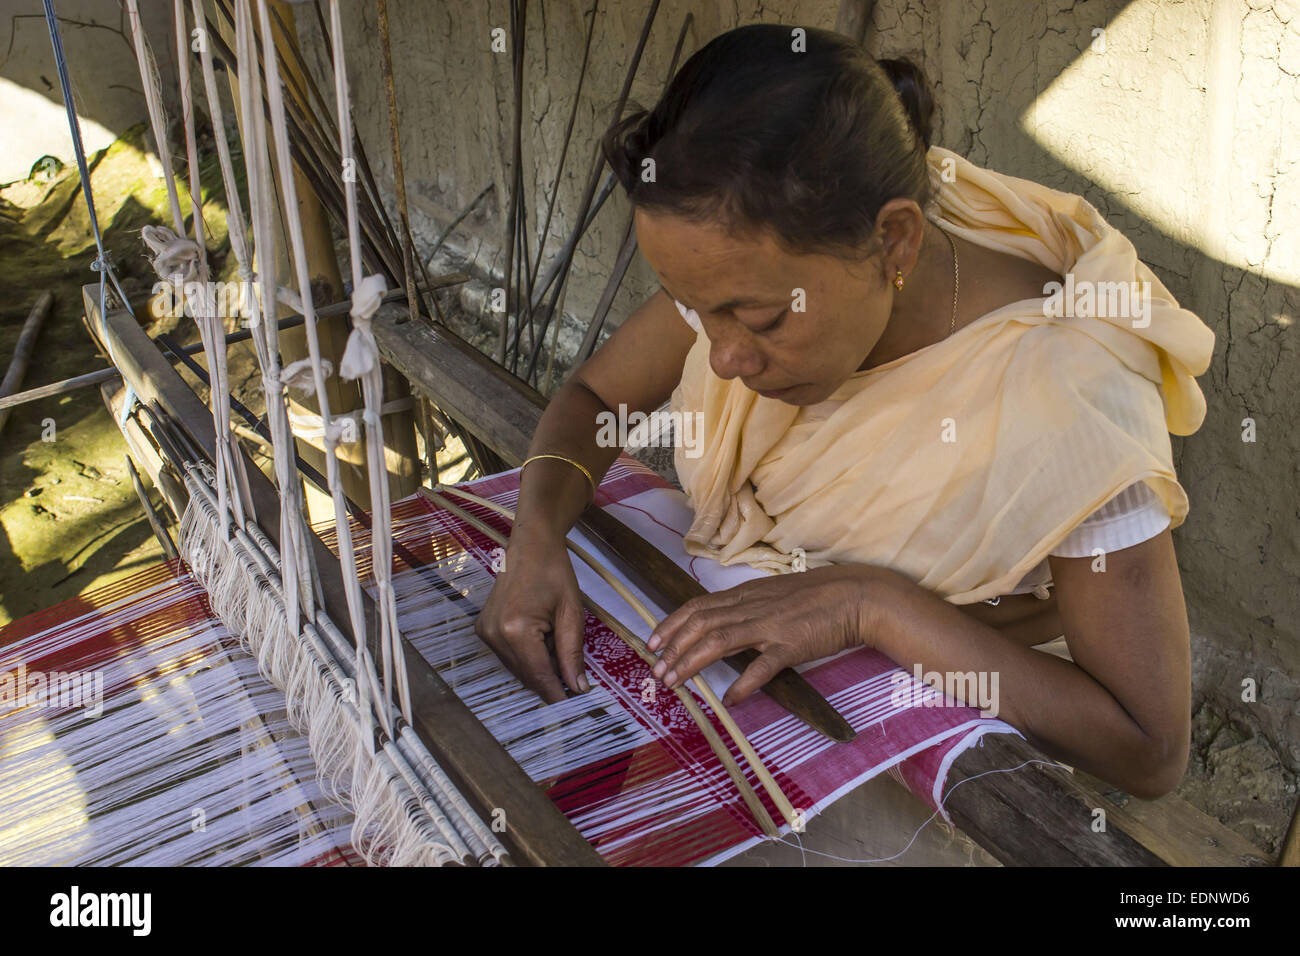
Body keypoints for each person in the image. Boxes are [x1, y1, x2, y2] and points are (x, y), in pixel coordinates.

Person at [473, 24, 1215, 798]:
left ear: (895, 243)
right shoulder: (768, 251)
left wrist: (871, 604)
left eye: (760, 322)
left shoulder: (1069, 400)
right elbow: (595, 397)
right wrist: (534, 535)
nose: (721, 357)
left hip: (921, 778)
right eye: (696, 311)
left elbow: (1148, 748)